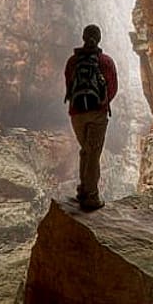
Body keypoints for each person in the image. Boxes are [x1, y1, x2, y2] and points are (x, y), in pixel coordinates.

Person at [63, 23, 118, 211]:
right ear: (99, 38)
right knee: (93, 153)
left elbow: (69, 85)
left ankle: (82, 190)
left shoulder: (72, 61)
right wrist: (101, 104)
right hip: (97, 114)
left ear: (84, 37)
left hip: (76, 114)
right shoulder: (106, 62)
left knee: (86, 150)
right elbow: (113, 88)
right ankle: (91, 197)